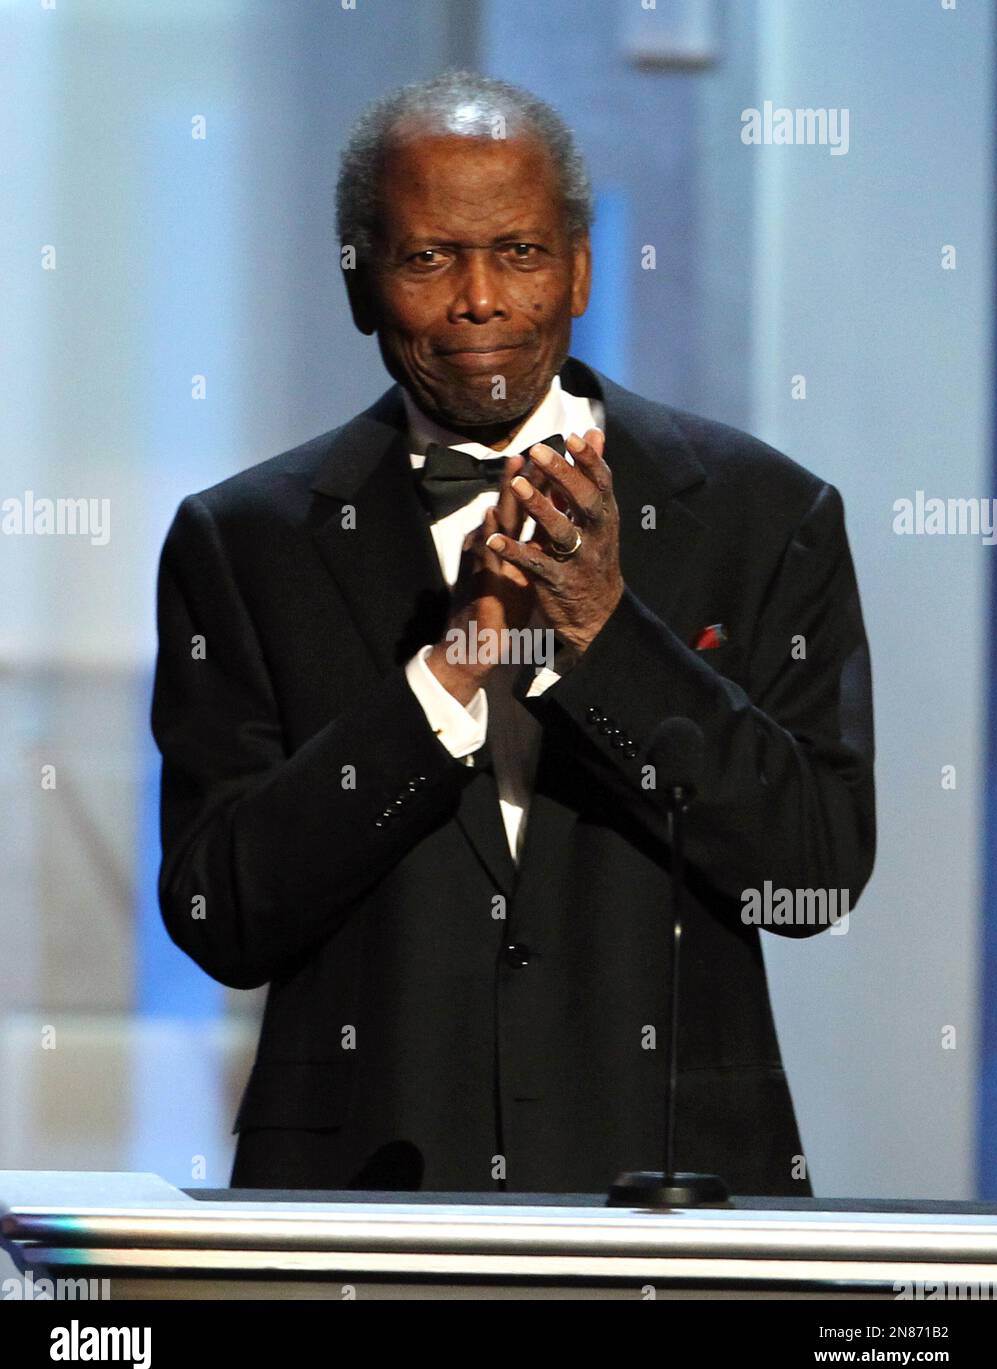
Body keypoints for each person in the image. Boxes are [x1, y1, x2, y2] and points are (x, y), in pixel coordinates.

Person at [151, 71, 875, 1196]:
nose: (479, 299)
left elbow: (816, 873)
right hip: (359, 1200)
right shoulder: (242, 542)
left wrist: (603, 634)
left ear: (580, 269)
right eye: (429, 258)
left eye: (522, 253)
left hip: (673, 1193)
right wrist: (450, 672)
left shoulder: (765, 515)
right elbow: (219, 913)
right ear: (360, 281)